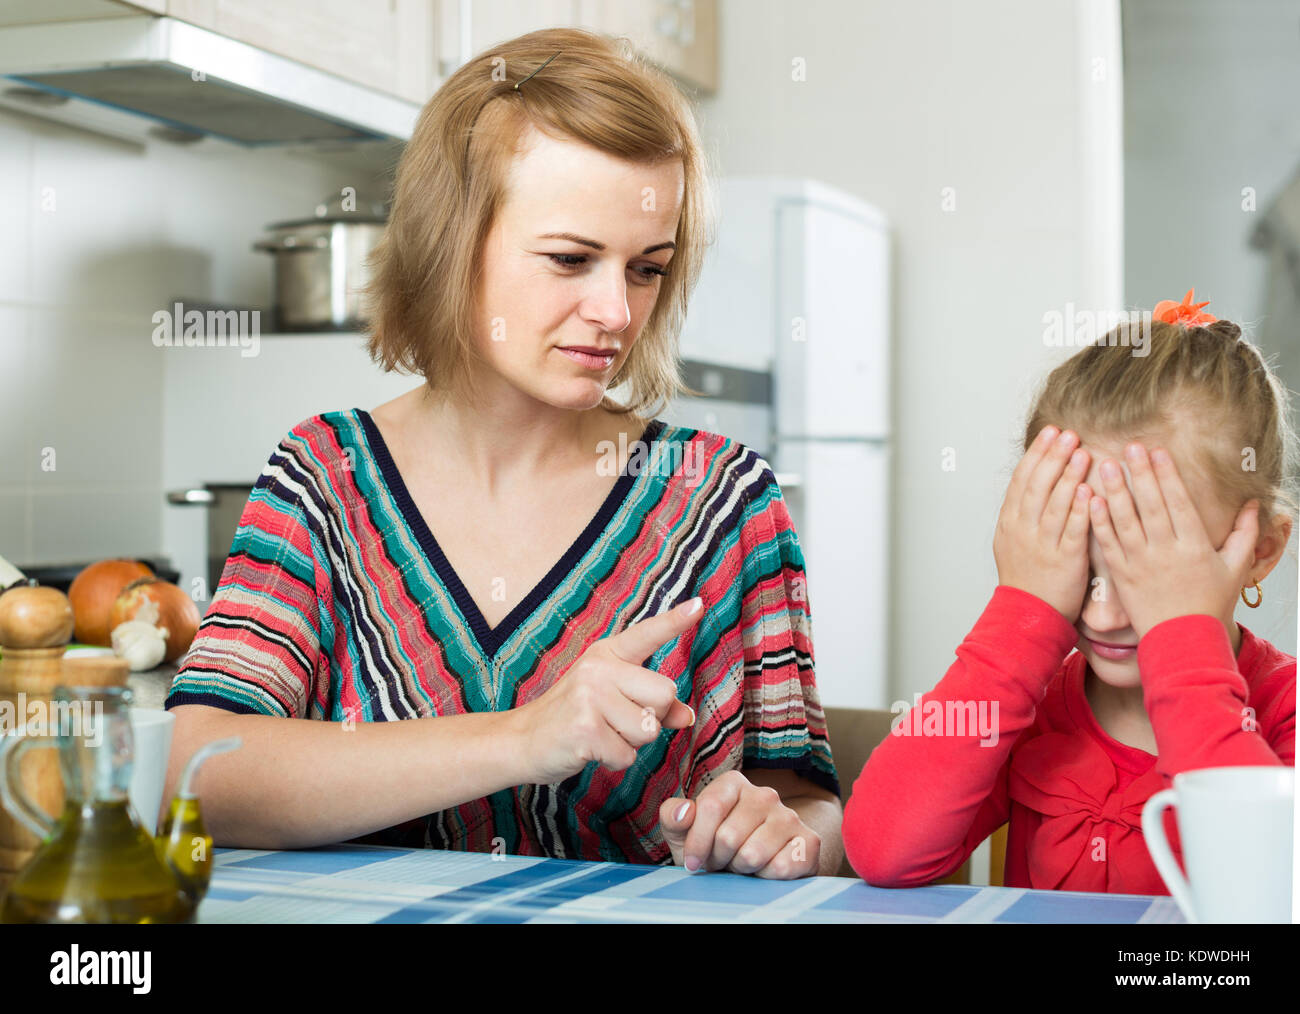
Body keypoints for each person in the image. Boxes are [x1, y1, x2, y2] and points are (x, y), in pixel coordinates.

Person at [163, 28, 842, 879]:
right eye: (570, 258)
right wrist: (524, 737)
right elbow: (196, 777)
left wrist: (772, 829)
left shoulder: (724, 499)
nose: (616, 312)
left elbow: (807, 801)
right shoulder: (324, 476)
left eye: (646, 269)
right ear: (452, 244)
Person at [843, 291, 1297, 892]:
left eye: (1145, 571)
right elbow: (882, 851)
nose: (1104, 614)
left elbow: (1262, 893)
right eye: (1075, 567)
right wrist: (1021, 618)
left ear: (1260, 549)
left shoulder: (1283, 712)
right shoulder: (1032, 703)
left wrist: (1184, 650)